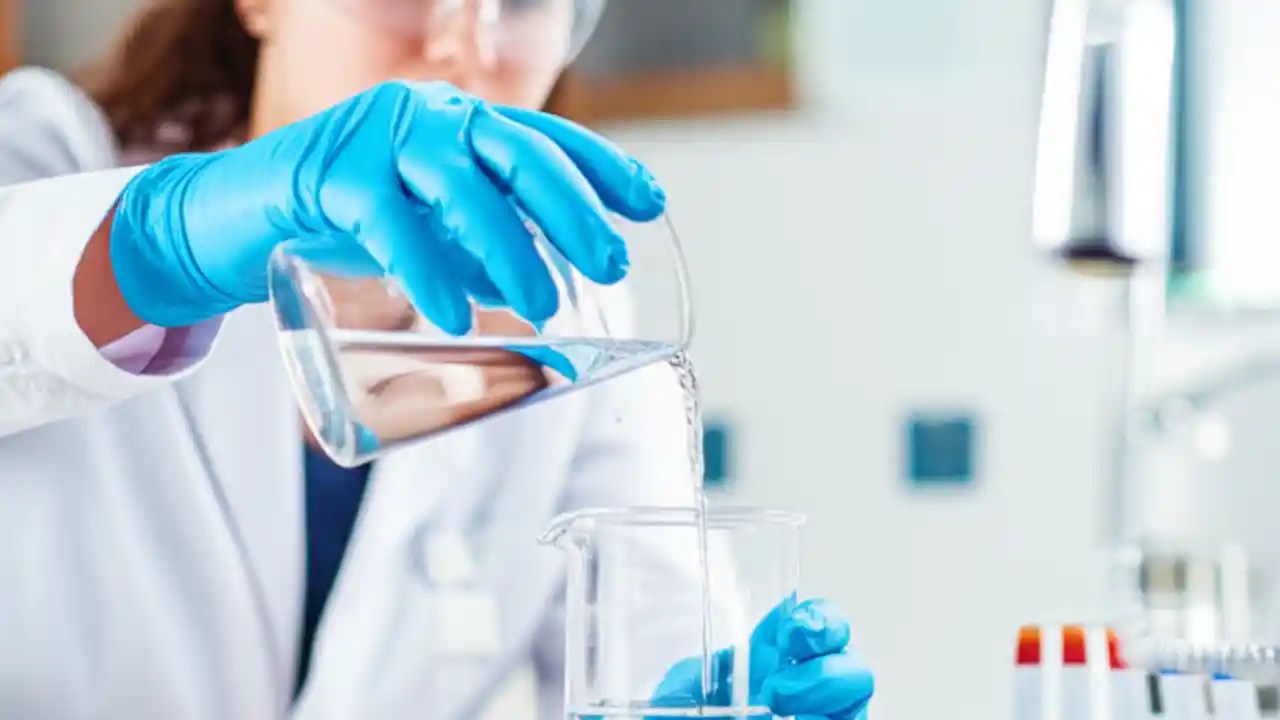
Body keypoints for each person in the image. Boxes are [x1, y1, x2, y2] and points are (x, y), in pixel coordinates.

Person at [0, 1, 875, 718]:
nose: (466, 41)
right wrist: (163, 243)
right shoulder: (45, 156)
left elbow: (661, 645)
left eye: (526, 2)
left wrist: (715, 702)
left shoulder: (569, 314)